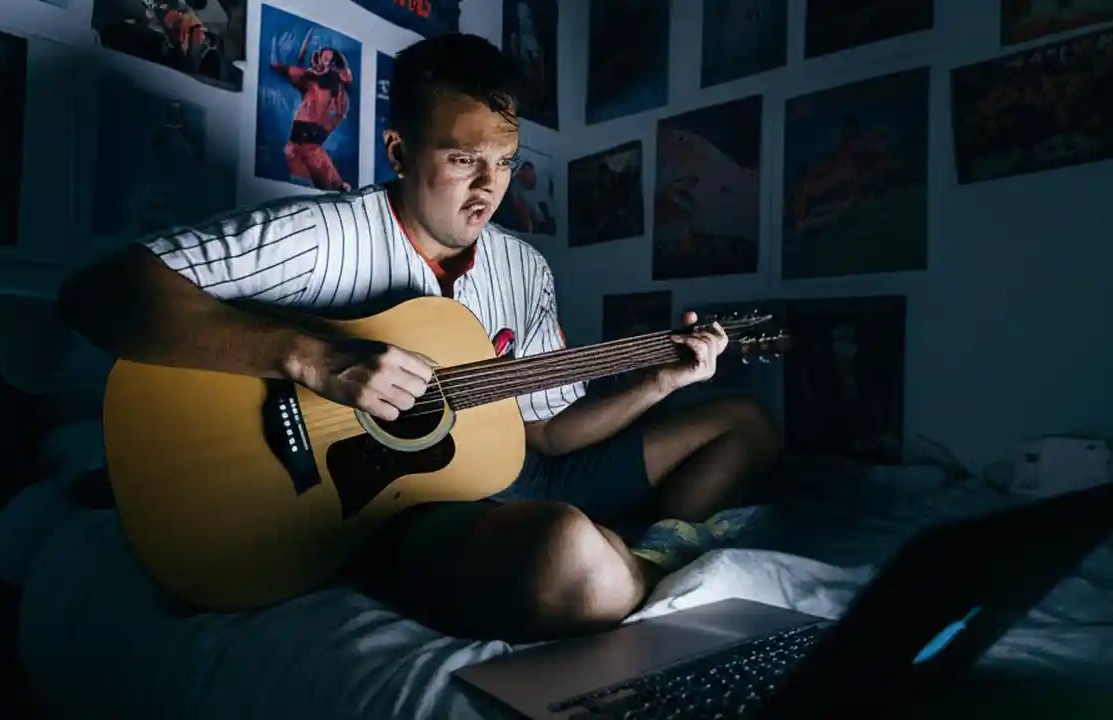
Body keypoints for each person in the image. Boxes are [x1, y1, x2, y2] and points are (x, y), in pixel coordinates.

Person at [57, 33, 779, 644]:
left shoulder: (525, 268)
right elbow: (98, 293)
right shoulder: (321, 236)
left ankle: (646, 555)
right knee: (570, 561)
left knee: (743, 423)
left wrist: (661, 379)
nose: (488, 187)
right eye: (464, 159)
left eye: (505, 161)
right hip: (404, 501)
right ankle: (633, 564)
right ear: (399, 151)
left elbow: (551, 434)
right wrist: (313, 357)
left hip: (520, 468)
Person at [269, 29, 353, 191]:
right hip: (301, 137)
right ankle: (328, 184)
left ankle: (333, 184)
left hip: (312, 134)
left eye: (328, 60)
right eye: (323, 58)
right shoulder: (311, 80)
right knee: (302, 158)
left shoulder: (336, 87)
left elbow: (339, 113)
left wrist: (326, 129)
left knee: (312, 154)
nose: (324, 62)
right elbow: (290, 71)